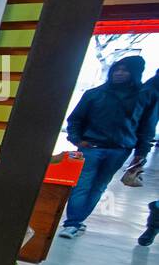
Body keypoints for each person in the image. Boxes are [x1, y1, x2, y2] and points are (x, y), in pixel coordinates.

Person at [60, 55, 158, 238]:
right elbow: (75, 119)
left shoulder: (146, 97)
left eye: (125, 70)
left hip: (120, 150)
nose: (119, 73)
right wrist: (78, 140)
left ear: (135, 73)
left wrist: (141, 154)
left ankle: (76, 221)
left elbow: (147, 128)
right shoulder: (95, 94)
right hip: (91, 147)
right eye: (117, 69)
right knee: (82, 185)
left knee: (99, 186)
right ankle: (72, 223)